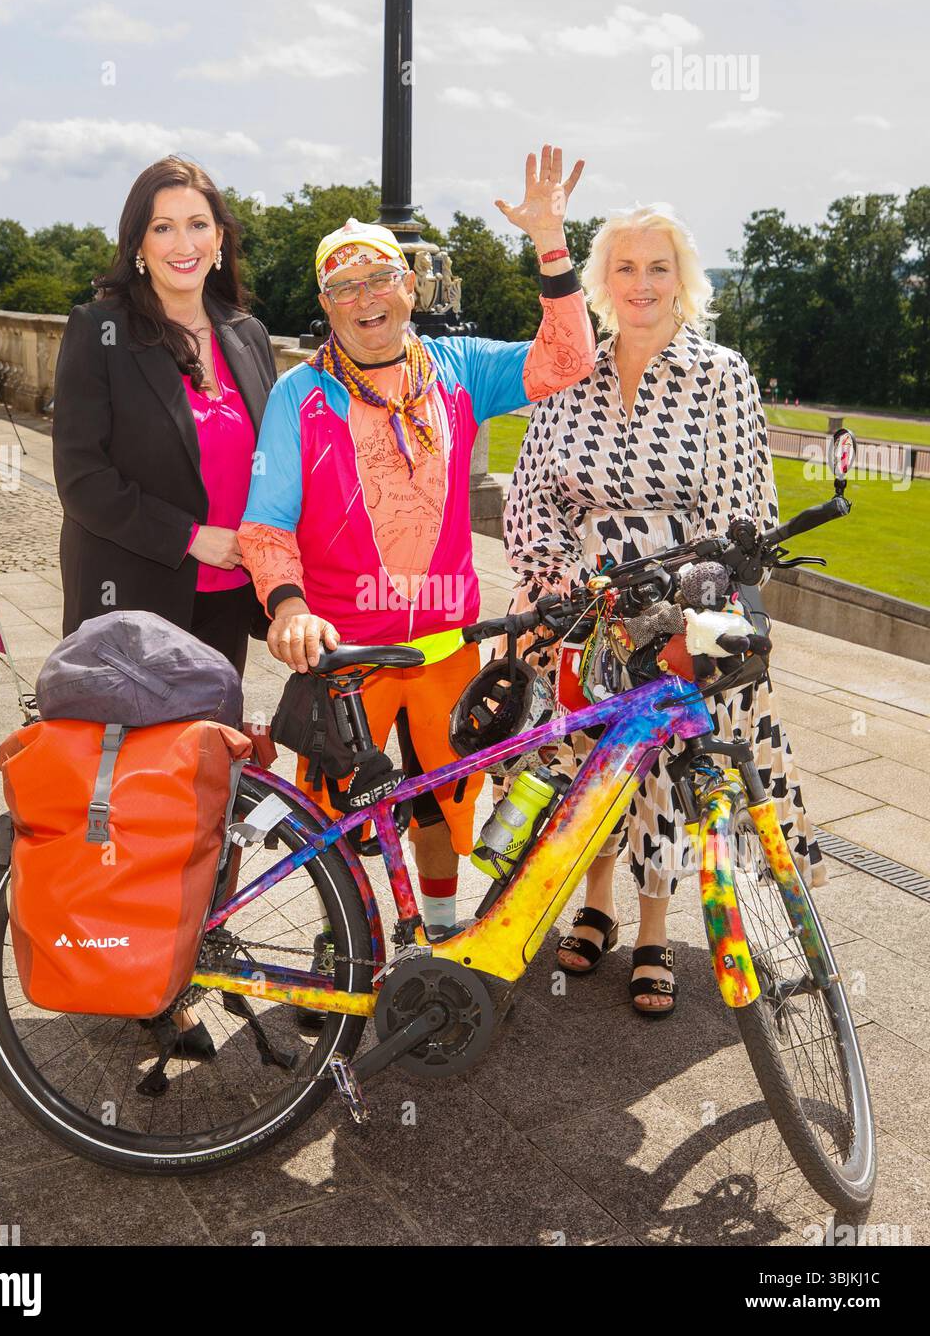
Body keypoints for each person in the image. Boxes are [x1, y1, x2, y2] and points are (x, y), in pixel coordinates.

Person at [239, 146, 597, 933]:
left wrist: (549, 242)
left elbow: (570, 358)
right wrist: (289, 607)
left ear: (408, 287)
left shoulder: (459, 367)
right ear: (327, 307)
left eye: (379, 279)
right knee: (339, 821)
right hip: (346, 652)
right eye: (344, 287)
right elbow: (264, 527)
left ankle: (438, 940)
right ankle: (349, 950)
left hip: (446, 645)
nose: (365, 298)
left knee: (443, 808)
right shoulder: (300, 395)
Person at [504, 202, 824, 1017]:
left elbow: (741, 504)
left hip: (686, 597)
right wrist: (549, 584)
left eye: (658, 267)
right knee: (579, 759)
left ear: (682, 279)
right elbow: (532, 490)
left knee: (666, 769)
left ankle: (653, 930)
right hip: (579, 599)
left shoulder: (722, 374)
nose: (642, 284)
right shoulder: (571, 369)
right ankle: (596, 905)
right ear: (602, 283)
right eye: (624, 268)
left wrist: (694, 603)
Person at [52, 155, 276, 675]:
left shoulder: (248, 334)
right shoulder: (99, 330)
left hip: (229, 593)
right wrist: (192, 538)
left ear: (219, 239)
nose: (184, 244)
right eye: (163, 227)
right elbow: (83, 479)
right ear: (138, 245)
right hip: (131, 600)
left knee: (213, 748)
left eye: (198, 225)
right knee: (136, 755)